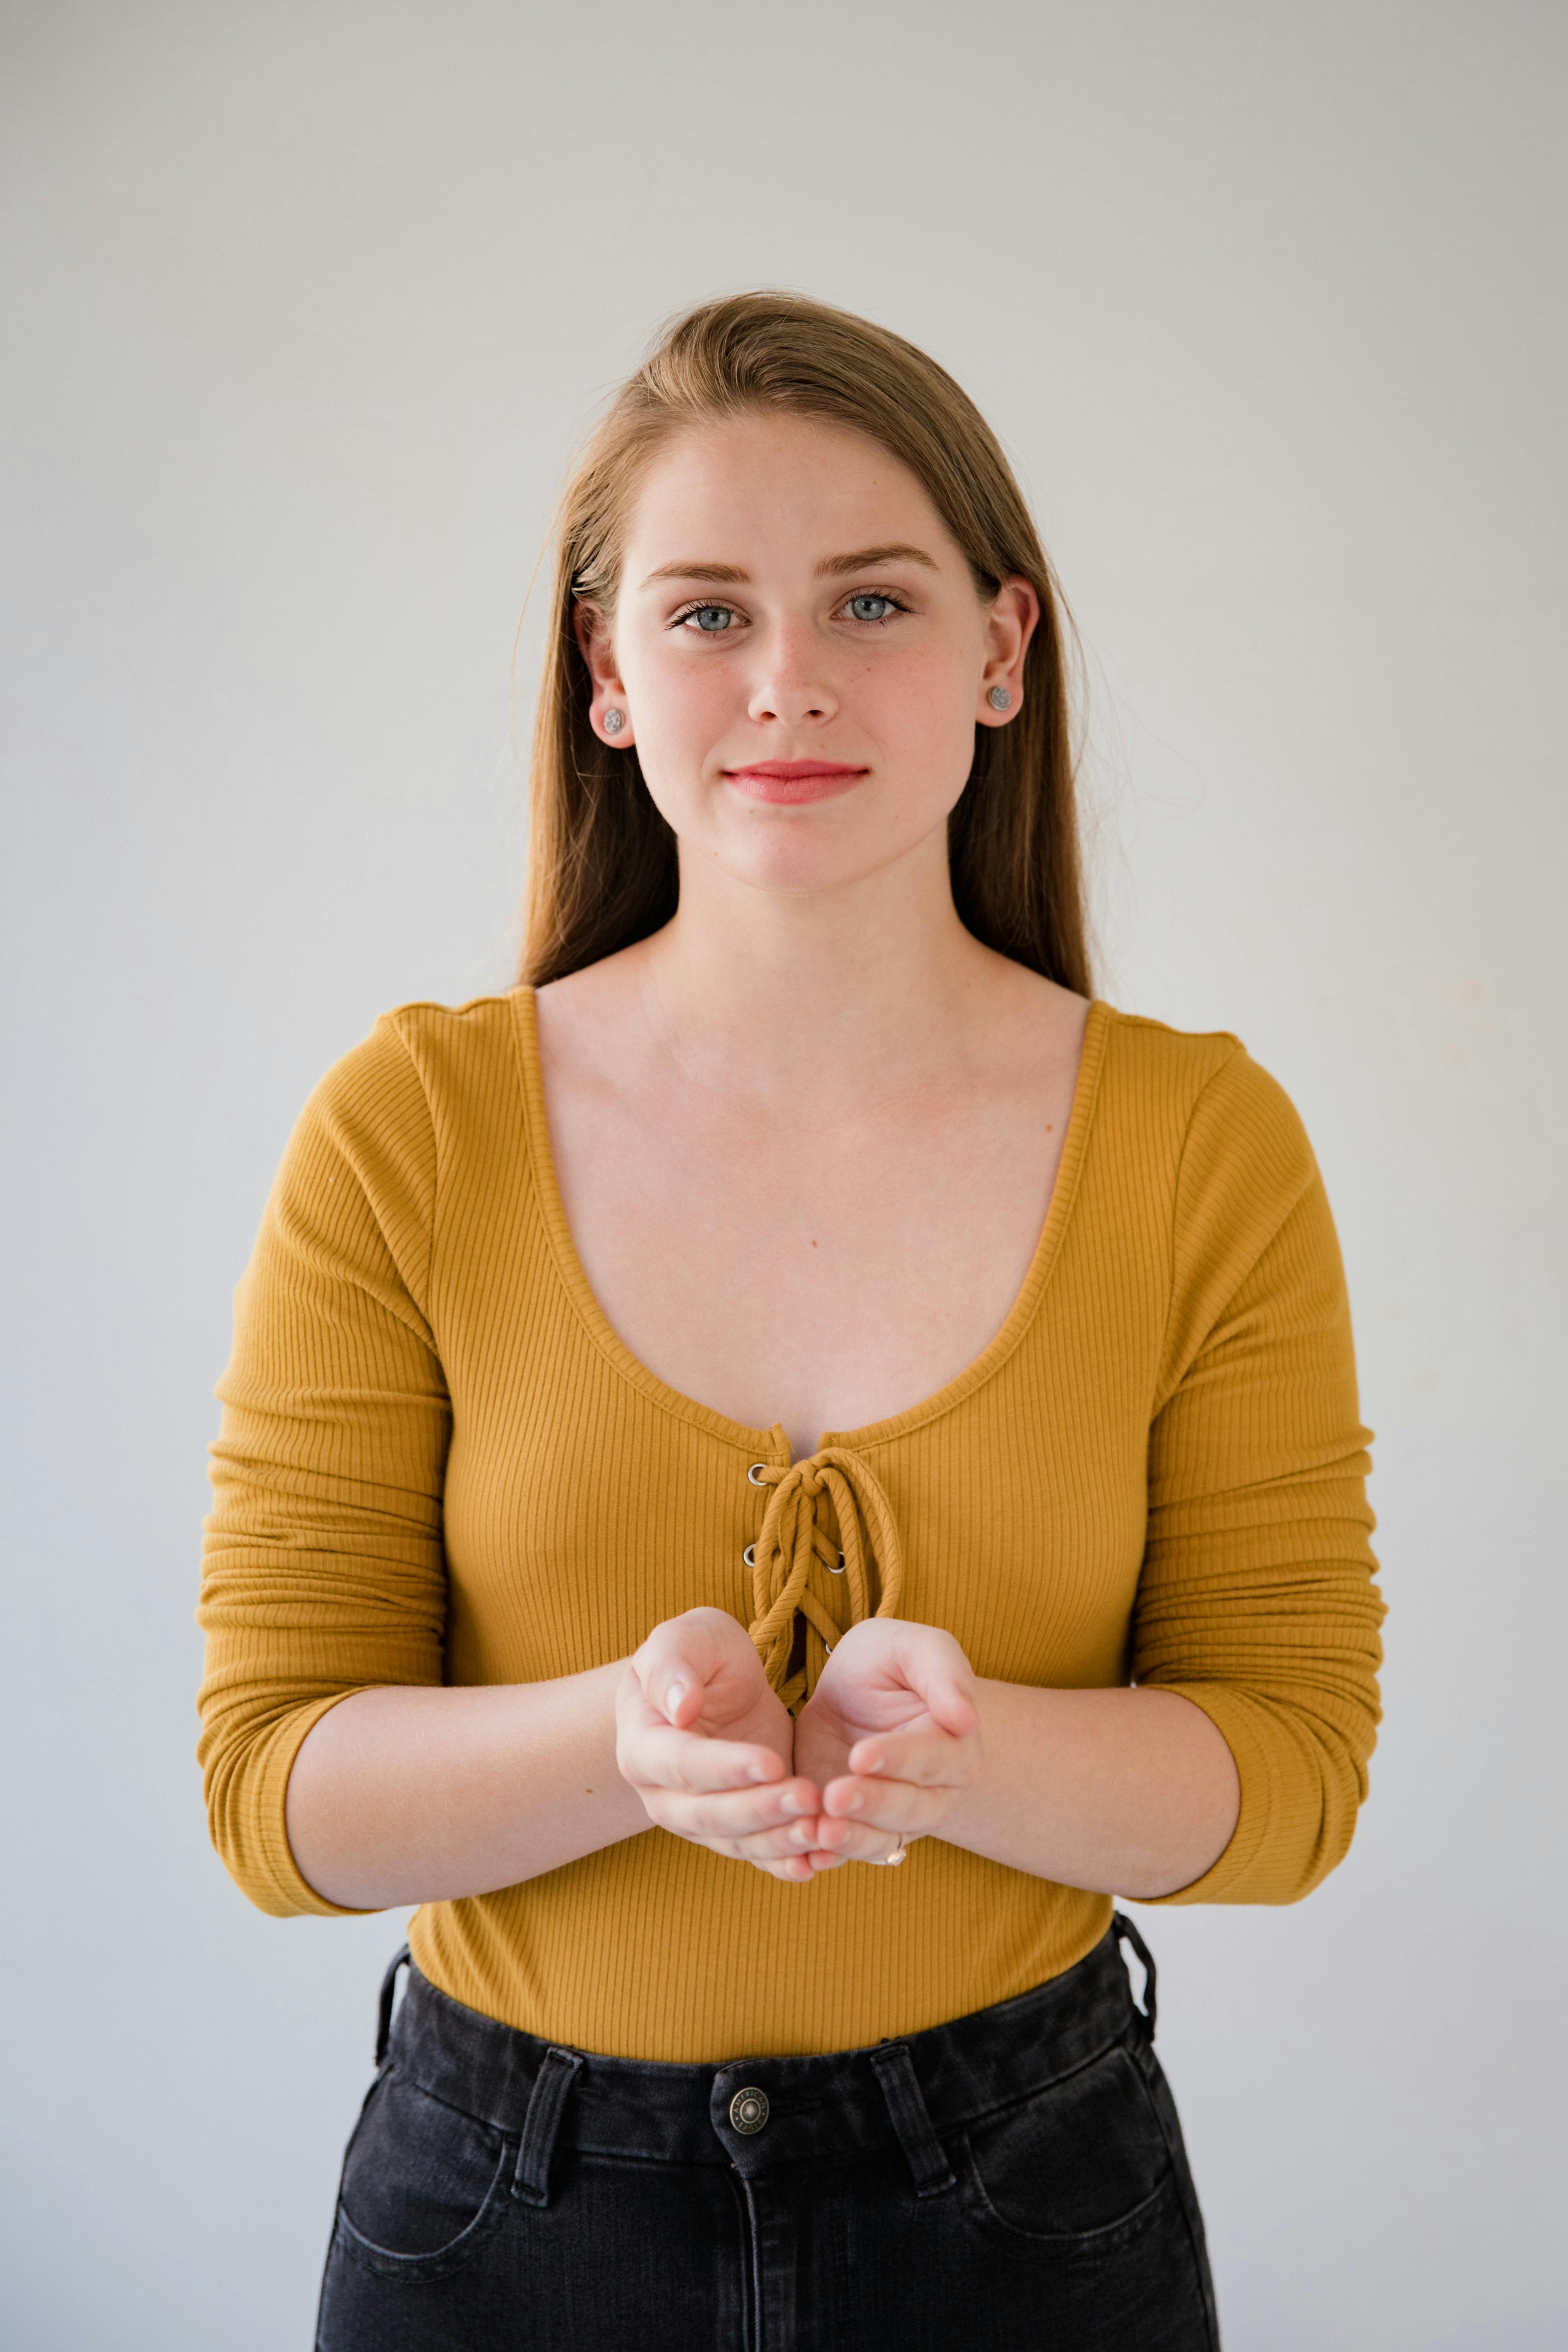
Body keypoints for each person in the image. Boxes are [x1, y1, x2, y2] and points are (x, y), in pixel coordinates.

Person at [197, 291, 1384, 2352]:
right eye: (704, 613)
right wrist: (624, 1751)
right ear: (604, 672)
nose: (785, 685)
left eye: (870, 603)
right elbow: (273, 1792)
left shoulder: (1203, 1139)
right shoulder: (409, 1130)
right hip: (503, 2223)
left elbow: (1286, 1774)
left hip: (1030, 2213)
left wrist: (977, 1756)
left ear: (1001, 651)